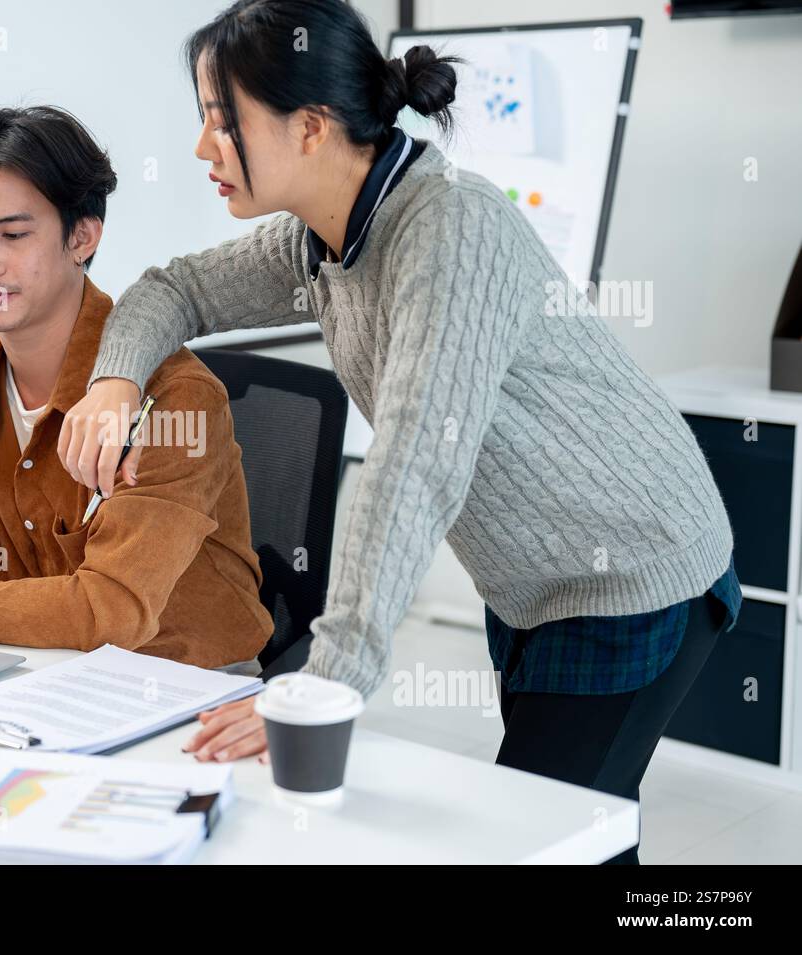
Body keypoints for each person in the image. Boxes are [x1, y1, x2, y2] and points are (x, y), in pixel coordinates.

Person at [55, 1, 741, 863]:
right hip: (536, 584)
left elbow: (414, 461)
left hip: (635, 568)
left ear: (310, 127)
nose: (203, 148)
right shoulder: (320, 241)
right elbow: (173, 288)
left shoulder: (449, 227)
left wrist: (323, 684)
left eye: (222, 122)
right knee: (586, 831)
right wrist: (115, 382)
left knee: (544, 837)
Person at [0, 106, 272, 671]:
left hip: (183, 689)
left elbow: (108, 610)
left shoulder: (175, 399)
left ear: (82, 238)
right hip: (40, 672)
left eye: (13, 234)